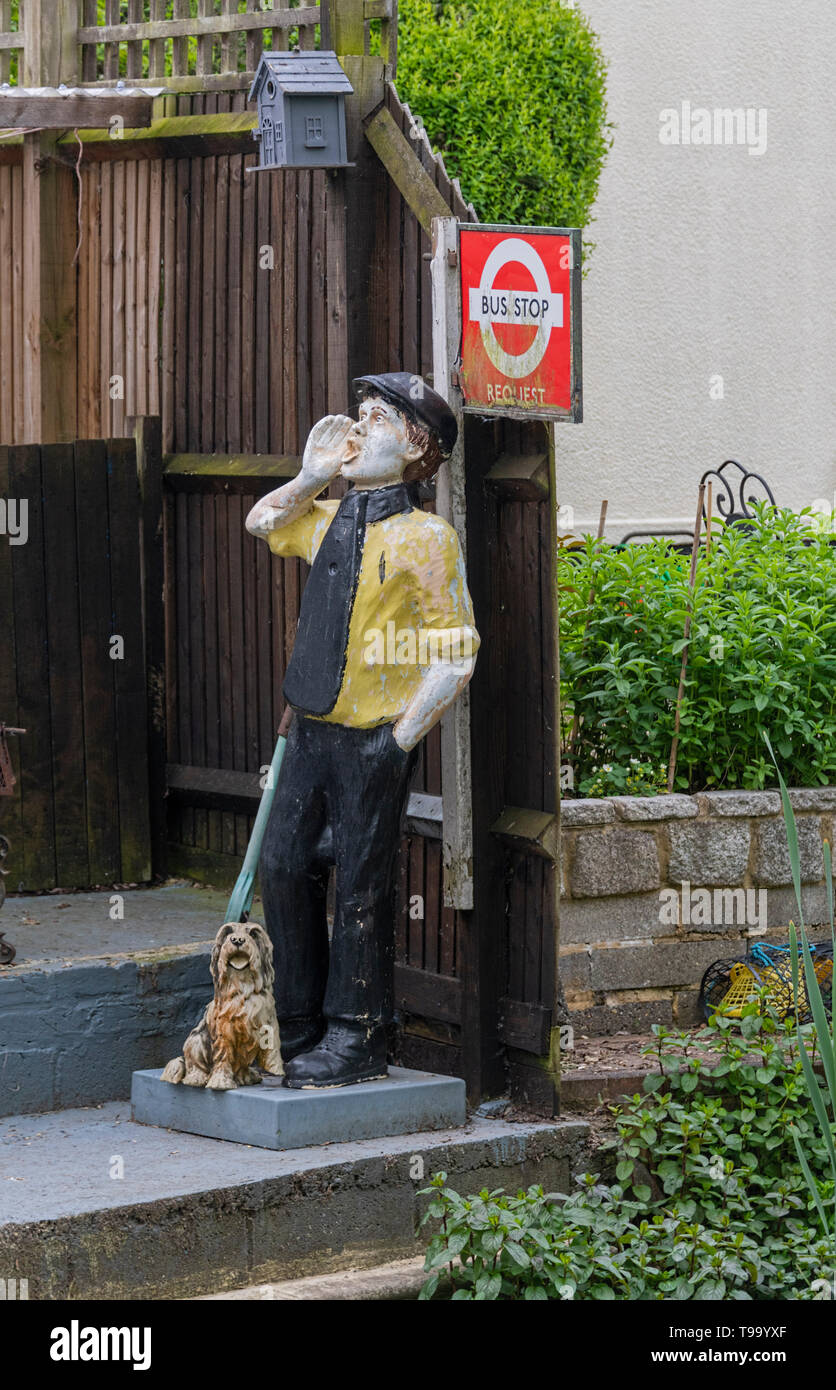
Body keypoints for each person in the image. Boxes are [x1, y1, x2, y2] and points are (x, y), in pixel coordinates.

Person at [245, 373, 479, 1087]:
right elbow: (263, 521)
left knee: (360, 884)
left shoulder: (426, 538)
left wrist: (400, 738)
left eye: (374, 421)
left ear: (417, 446)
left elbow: (458, 649)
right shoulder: (329, 519)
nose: (355, 431)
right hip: (310, 732)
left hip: (373, 738)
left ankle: (358, 1033)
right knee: (283, 867)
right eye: (357, 415)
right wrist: (312, 474)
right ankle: (296, 1021)